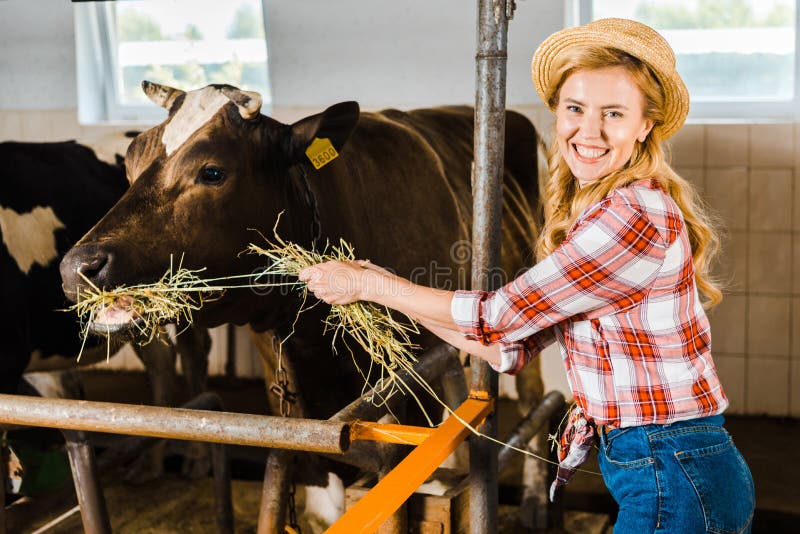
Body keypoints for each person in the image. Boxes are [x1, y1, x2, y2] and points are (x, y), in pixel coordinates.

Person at [299, 18, 755, 534]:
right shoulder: (597, 211)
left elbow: (499, 316)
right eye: (575, 109)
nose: (589, 130)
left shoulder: (631, 216)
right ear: (557, 113)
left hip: (674, 474)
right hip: (665, 469)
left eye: (614, 113)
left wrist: (370, 284)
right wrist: (388, 294)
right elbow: (507, 349)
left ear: (644, 125)